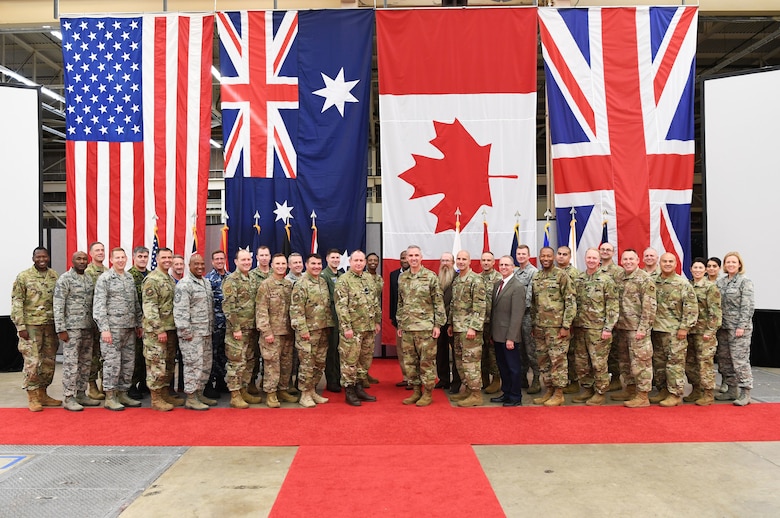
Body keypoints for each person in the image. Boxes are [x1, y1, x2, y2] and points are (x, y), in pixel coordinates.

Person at [93, 247, 143, 411]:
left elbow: (135, 303)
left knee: (128, 363)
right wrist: (104, 329)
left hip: (129, 328)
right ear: (111, 260)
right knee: (112, 364)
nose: (121, 260)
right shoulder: (105, 278)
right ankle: (110, 396)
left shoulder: (128, 277)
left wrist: (139, 323)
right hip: (112, 329)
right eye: (117, 258)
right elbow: (99, 306)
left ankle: (123, 393)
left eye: (123, 257)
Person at [11, 246, 60, 412]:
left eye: (45, 256)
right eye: (39, 257)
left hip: (50, 325)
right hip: (31, 326)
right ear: (33, 258)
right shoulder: (24, 277)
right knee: (32, 361)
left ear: (48, 257)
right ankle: (32, 395)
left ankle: (43, 393)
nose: (42, 259)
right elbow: (17, 302)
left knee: (48, 361)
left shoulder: (54, 275)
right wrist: (21, 326)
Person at [396, 245, 446, 407]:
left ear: (421, 257)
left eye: (416, 255)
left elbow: (438, 302)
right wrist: (400, 323)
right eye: (410, 256)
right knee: (410, 363)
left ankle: (428, 393)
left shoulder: (430, 277)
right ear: (407, 258)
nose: (413, 258)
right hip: (408, 328)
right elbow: (400, 302)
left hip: (426, 328)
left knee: (426, 362)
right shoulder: (403, 278)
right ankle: (416, 390)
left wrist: (438, 325)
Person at [570, 248, 619, 406]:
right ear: (585, 259)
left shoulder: (606, 280)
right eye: (588, 257)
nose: (591, 260)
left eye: (594, 258)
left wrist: (608, 328)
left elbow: (613, 306)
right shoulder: (579, 279)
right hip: (580, 328)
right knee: (582, 362)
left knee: (598, 363)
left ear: (599, 260)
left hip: (598, 329)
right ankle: (587, 389)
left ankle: (600, 392)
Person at [649, 253, 698, 407]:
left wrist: (684, 327)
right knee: (659, 363)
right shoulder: (653, 281)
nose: (667, 264)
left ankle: (675, 394)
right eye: (665, 261)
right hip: (656, 330)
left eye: (671, 261)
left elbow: (691, 308)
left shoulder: (682, 284)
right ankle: (663, 390)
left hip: (675, 331)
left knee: (674, 364)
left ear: (676, 263)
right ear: (660, 263)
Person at [54, 251, 101, 411]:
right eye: (78, 259)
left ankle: (81, 393)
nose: (82, 261)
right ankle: (68, 397)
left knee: (85, 362)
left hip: (87, 327)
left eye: (84, 259)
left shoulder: (88, 278)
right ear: (72, 261)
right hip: (71, 328)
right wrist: (60, 329)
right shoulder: (65, 279)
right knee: (71, 363)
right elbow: (58, 305)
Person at [530, 247, 577, 407]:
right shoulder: (537, 277)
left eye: (549, 256)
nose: (545, 258)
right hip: (540, 327)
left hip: (557, 328)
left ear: (553, 258)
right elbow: (534, 303)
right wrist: (533, 324)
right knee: (543, 361)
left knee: (558, 361)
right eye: (543, 256)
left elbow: (570, 302)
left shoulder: (561, 275)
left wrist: (566, 326)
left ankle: (559, 393)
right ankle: (549, 389)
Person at [334, 250, 381, 406]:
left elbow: (375, 302)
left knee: (364, 360)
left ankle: (360, 387)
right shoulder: (343, 280)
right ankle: (349, 390)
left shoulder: (369, 278)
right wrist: (346, 327)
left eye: (361, 260)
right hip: (352, 330)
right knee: (350, 360)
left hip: (368, 328)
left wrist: (377, 321)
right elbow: (341, 307)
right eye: (356, 260)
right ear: (350, 262)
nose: (359, 263)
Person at [612, 249, 657, 408]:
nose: (628, 262)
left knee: (641, 362)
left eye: (631, 259)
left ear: (638, 260)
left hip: (637, 329)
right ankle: (630, 389)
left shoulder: (644, 279)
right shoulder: (619, 277)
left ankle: (643, 395)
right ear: (621, 261)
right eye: (625, 259)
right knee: (625, 362)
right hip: (622, 327)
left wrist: (643, 329)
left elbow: (650, 306)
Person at [290, 253, 335, 408]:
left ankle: (312, 390)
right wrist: (302, 330)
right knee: (307, 364)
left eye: (318, 264)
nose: (316, 267)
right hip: (307, 332)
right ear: (307, 265)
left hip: (323, 330)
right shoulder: (301, 284)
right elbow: (296, 310)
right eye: (313, 264)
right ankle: (304, 394)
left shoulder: (322, 281)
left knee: (319, 363)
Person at [174, 253, 216, 411]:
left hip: (205, 332)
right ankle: (191, 397)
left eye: (202, 264)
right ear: (189, 265)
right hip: (192, 335)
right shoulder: (184, 285)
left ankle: (199, 392)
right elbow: (180, 311)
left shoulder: (205, 282)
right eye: (196, 264)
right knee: (193, 365)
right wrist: (186, 332)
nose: (200, 267)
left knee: (205, 365)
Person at [141, 248, 182, 411]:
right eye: (164, 257)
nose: (167, 260)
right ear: (157, 259)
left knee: (169, 363)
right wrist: (159, 330)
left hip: (170, 328)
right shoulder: (152, 279)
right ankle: (156, 398)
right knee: (156, 363)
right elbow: (150, 307)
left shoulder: (169, 279)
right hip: (157, 332)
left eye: (169, 257)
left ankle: (164, 393)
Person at [256, 253, 298, 408]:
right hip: (272, 334)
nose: (280, 266)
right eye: (277, 264)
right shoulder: (266, 285)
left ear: (287, 266)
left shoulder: (289, 285)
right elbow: (261, 310)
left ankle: (282, 389)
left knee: (286, 365)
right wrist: (266, 332)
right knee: (272, 365)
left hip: (288, 332)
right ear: (272, 266)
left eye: (283, 264)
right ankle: (271, 393)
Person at [222, 248, 262, 409]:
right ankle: (235, 394)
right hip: (237, 331)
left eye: (248, 260)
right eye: (243, 260)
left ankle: (244, 389)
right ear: (236, 262)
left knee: (249, 361)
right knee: (236, 363)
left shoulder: (253, 277)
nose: (246, 262)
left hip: (251, 328)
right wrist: (236, 328)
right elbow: (228, 307)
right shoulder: (231, 280)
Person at [447, 250, 487, 407]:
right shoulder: (457, 280)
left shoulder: (475, 280)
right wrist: (450, 324)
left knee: (471, 363)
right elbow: (453, 304)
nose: (461, 261)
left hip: (469, 330)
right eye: (459, 259)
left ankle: (476, 393)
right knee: (460, 362)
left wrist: (474, 327)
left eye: (464, 259)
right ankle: (468, 390)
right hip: (457, 328)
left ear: (470, 261)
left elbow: (480, 306)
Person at [715, 251, 755, 406]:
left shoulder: (745, 282)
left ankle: (746, 392)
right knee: (725, 360)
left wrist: (742, 326)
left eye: (733, 262)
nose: (730, 265)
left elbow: (748, 306)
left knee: (740, 360)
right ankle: (732, 390)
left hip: (738, 329)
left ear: (739, 265)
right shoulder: (721, 282)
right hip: (723, 327)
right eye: (728, 262)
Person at [684, 257, 722, 406]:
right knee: (690, 363)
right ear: (691, 270)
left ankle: (708, 393)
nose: (698, 270)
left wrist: (710, 331)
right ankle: (696, 389)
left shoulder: (710, 287)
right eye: (695, 268)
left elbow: (716, 312)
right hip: (690, 331)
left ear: (705, 270)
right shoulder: (687, 285)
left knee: (705, 363)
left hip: (704, 332)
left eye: (701, 268)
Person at [490, 255, 526, 406]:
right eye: (501, 264)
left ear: (513, 267)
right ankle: (506, 392)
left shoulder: (517, 286)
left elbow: (517, 315)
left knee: (513, 367)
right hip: (498, 334)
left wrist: (511, 337)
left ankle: (515, 396)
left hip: (509, 336)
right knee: (502, 366)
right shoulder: (498, 283)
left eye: (507, 265)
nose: (503, 267)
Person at [514, 244, 540, 393]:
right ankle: (522, 377)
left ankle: (536, 378)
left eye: (524, 254)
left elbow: (529, 296)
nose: (521, 256)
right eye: (519, 254)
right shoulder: (516, 273)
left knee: (531, 349)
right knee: (519, 349)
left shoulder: (533, 272)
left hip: (527, 316)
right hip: (516, 317)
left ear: (528, 255)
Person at [556, 245, 581, 394]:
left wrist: (570, 322)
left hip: (572, 321)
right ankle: (563, 382)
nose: (561, 256)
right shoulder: (552, 273)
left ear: (570, 257)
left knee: (572, 353)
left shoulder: (575, 274)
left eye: (564, 254)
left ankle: (574, 381)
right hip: (556, 321)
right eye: (559, 254)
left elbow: (576, 299)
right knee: (561, 354)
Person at [247, 245, 272, 395]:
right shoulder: (251, 276)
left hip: (273, 323)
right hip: (253, 321)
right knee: (253, 354)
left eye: (266, 255)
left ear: (270, 257)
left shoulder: (276, 274)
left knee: (269, 356)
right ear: (256, 257)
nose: (264, 258)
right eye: (261, 255)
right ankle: (251, 382)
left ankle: (267, 381)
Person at [85, 241, 107, 400]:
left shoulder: (108, 272)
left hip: (106, 322)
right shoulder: (86, 272)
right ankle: (92, 386)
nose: (100, 252)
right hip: (90, 321)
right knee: (92, 355)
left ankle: (105, 385)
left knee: (105, 354)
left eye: (102, 250)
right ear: (91, 254)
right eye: (97, 250)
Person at [205, 250, 229, 397]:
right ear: (213, 262)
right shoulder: (208, 279)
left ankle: (221, 381)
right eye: (217, 259)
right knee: (212, 355)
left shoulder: (231, 277)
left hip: (228, 325)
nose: (220, 261)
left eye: (222, 259)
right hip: (215, 325)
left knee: (223, 355)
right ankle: (209, 384)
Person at [127, 246, 150, 400]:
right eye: (140, 256)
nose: (143, 259)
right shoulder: (129, 276)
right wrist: (137, 323)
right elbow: (130, 302)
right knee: (133, 355)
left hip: (149, 321)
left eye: (145, 256)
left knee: (145, 354)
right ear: (134, 257)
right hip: (135, 322)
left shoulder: (150, 275)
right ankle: (131, 385)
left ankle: (144, 382)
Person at [435, 252, 460, 392]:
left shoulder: (458, 279)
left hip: (454, 322)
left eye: (448, 261)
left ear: (453, 262)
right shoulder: (436, 279)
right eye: (443, 260)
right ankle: (443, 379)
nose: (445, 263)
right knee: (440, 352)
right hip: (439, 322)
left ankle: (456, 383)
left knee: (456, 354)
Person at [479, 251, 502, 394]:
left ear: (494, 262)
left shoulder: (499, 278)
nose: (486, 262)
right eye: (483, 260)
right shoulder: (477, 278)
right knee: (482, 352)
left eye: (489, 260)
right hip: (480, 322)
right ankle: (484, 379)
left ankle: (496, 379)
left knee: (494, 352)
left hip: (494, 321)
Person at [321, 248, 343, 393]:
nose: (335, 260)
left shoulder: (341, 275)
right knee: (331, 352)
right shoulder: (324, 275)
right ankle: (332, 380)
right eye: (333, 257)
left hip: (341, 319)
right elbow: (326, 300)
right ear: (327, 259)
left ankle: (340, 377)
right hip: (332, 319)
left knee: (340, 351)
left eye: (337, 257)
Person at [389, 250, 410, 388]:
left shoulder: (419, 275)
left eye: (406, 257)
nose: (405, 260)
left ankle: (414, 379)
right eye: (402, 257)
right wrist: (392, 316)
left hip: (415, 320)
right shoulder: (394, 275)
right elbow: (393, 297)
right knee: (401, 350)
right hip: (399, 319)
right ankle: (406, 376)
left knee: (412, 351)